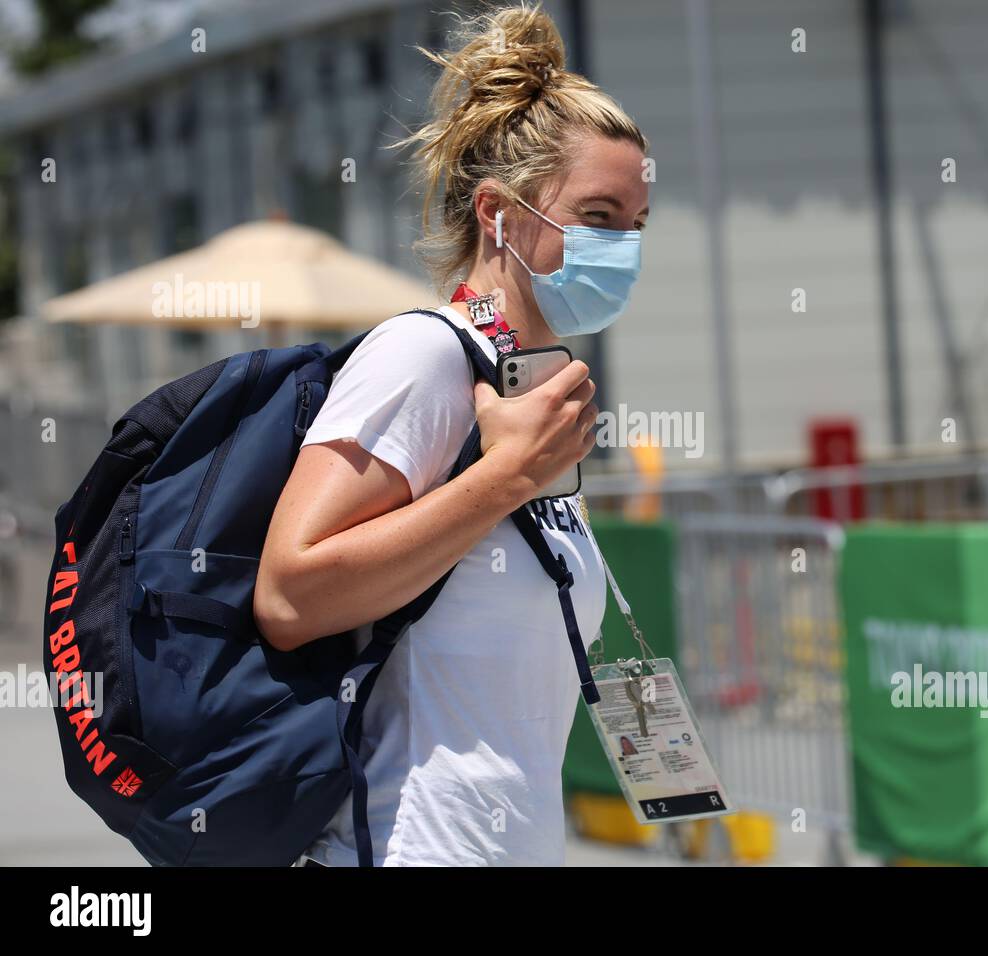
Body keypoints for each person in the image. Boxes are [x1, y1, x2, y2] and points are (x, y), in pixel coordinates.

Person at [252, 1, 650, 866]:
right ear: (500, 215)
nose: (624, 248)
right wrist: (505, 477)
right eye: (598, 217)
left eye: (636, 225)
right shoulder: (422, 357)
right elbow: (289, 597)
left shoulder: (527, 394)